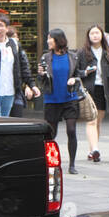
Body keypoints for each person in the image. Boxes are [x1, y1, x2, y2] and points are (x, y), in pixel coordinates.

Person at [37, 28, 83, 174]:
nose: (48, 41)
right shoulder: (45, 57)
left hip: (70, 98)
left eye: (50, 38)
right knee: (51, 134)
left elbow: (78, 75)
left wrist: (74, 79)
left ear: (58, 40)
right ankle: (51, 162)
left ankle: (72, 164)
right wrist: (41, 74)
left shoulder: (73, 56)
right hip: (52, 99)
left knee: (71, 130)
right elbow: (41, 80)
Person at [76, 24, 109, 163]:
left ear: (102, 35)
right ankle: (95, 149)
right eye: (92, 33)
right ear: (88, 36)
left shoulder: (108, 53)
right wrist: (85, 72)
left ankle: (92, 150)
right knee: (91, 121)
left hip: (103, 90)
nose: (95, 35)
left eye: (97, 33)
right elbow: (75, 71)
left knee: (98, 122)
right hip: (89, 90)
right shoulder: (82, 52)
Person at [0, 13, 38, 117]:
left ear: (7, 28)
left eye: (0, 25)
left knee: (4, 121)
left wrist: (32, 85)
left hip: (10, 92)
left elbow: (23, 67)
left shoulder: (14, 44)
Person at [6, 24, 39, 117]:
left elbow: (25, 70)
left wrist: (30, 85)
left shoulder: (20, 50)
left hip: (16, 92)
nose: (17, 39)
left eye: (17, 36)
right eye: (14, 36)